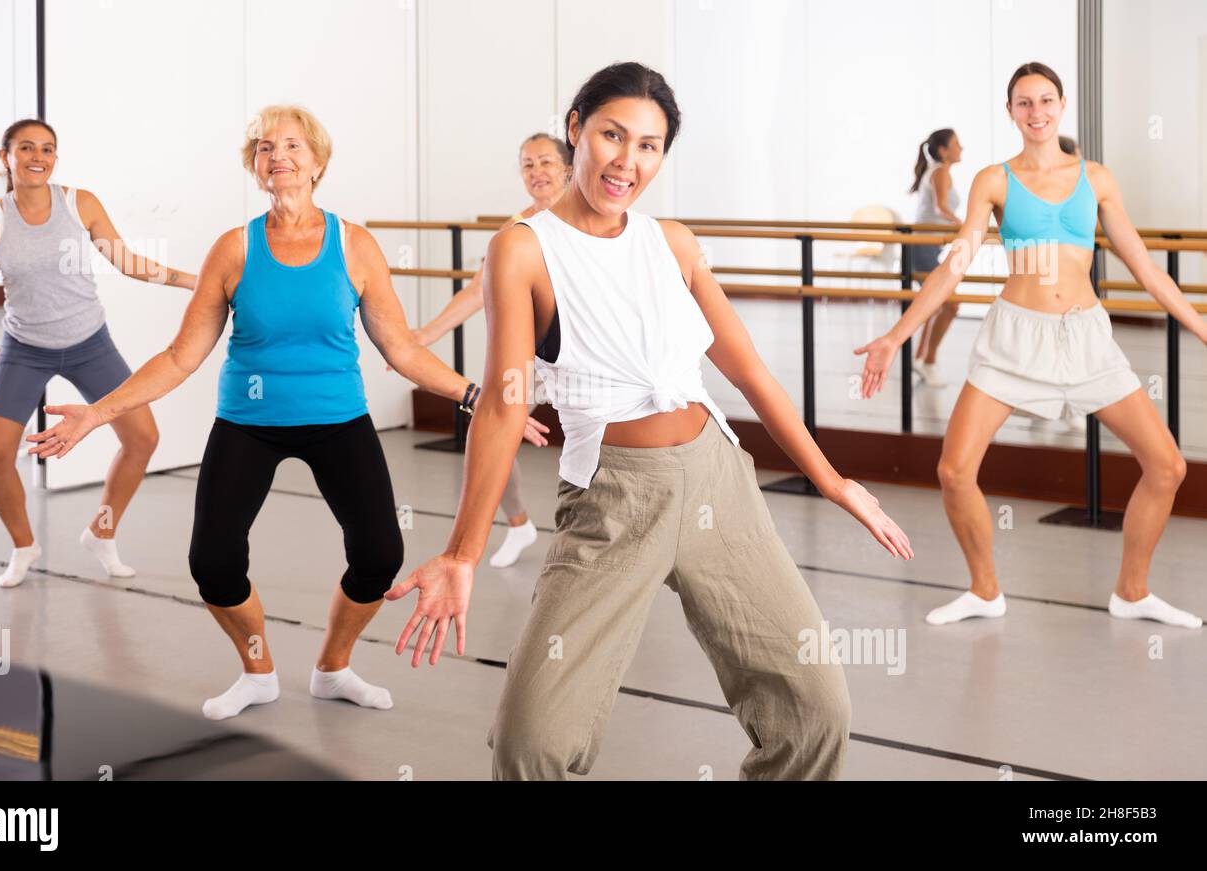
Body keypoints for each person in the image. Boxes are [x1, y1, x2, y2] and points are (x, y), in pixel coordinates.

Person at [386, 62, 913, 780]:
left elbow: (749, 368)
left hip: (715, 481)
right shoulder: (522, 249)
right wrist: (463, 551)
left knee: (816, 709)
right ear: (576, 130)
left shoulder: (672, 242)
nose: (627, 161)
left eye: (649, 145)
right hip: (613, 495)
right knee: (531, 741)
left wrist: (831, 478)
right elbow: (508, 401)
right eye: (612, 135)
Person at [26, 105, 544, 720]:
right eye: (266, 148)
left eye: (294, 146)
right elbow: (179, 357)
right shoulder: (233, 249)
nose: (280, 156)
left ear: (317, 162)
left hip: (338, 420)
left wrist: (474, 395)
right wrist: (96, 413)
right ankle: (257, 670)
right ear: (255, 166)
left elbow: (400, 348)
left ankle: (333, 667)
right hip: (248, 424)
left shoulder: (354, 245)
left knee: (379, 556)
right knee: (213, 565)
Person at [855, 62, 1204, 630]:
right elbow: (956, 265)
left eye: (1046, 101)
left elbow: (1146, 269)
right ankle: (985, 589)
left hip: (1086, 338)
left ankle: (1133, 592)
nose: (1036, 112)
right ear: (1011, 111)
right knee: (954, 469)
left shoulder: (1098, 178)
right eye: (1024, 103)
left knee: (1166, 466)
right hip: (1015, 337)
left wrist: (1201, 326)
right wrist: (897, 335)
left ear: (1062, 105)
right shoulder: (993, 180)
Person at [0, 118, 196, 587]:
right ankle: (24, 545)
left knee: (142, 439)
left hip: (90, 344)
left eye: (47, 148)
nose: (38, 157)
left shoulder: (80, 203)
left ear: (55, 157)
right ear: (6, 157)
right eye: (26, 148)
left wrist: (196, 282)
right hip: (24, 349)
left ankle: (102, 533)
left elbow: (128, 263)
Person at [410, 133, 571, 567]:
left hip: (592, 355)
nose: (536, 173)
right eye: (527, 165)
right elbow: (477, 292)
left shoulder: (589, 216)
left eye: (545, 163)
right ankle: (519, 524)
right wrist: (425, 334)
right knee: (486, 432)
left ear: (568, 168)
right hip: (537, 357)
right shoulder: (516, 229)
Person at [909, 128, 963, 387]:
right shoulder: (940, 172)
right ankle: (928, 361)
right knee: (950, 304)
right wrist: (965, 226)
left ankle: (921, 359)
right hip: (921, 247)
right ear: (943, 150)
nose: (961, 148)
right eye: (956, 144)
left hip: (927, 247)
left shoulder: (941, 172)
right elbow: (941, 207)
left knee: (933, 305)